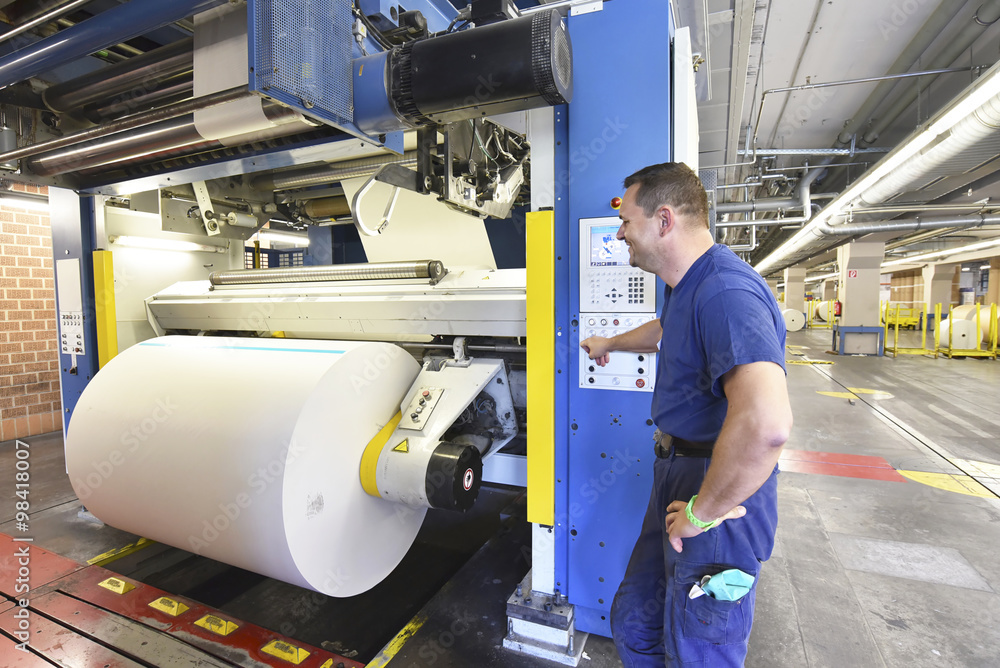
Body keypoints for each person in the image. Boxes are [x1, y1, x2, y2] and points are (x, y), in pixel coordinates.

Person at [580, 162, 792, 667]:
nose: (620, 232)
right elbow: (665, 328)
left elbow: (767, 425)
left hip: (715, 487)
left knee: (700, 646)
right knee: (637, 620)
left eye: (627, 221)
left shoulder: (725, 293)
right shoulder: (688, 286)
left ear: (665, 220)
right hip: (678, 474)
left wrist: (704, 511)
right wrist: (611, 342)